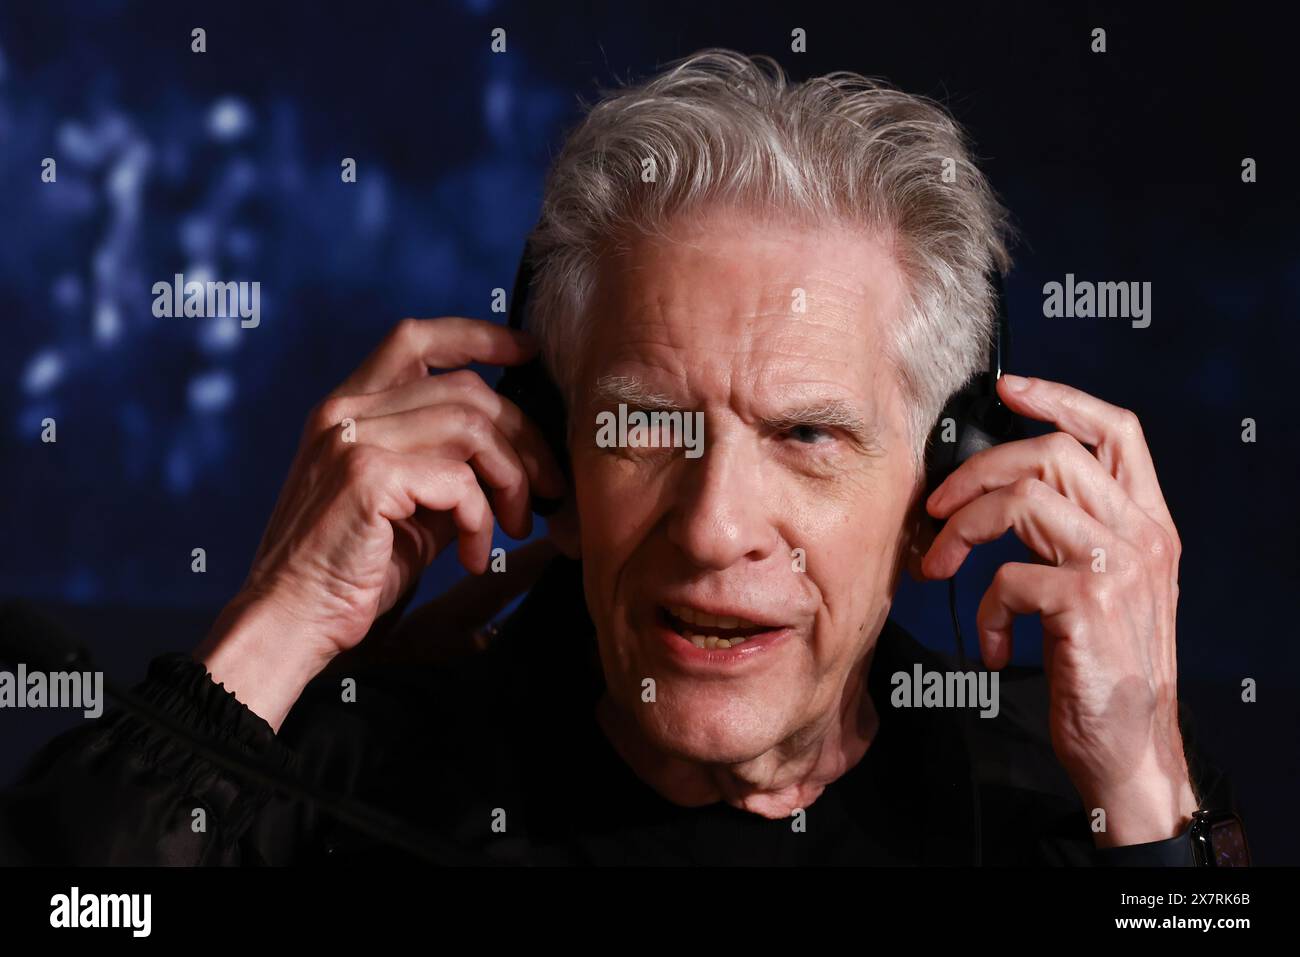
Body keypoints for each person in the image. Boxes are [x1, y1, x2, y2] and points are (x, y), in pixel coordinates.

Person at [0, 50, 1230, 865]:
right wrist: (281, 624)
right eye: (646, 426)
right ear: (548, 454)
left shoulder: (1072, 799)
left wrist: (1144, 789)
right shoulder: (336, 776)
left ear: (939, 490)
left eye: (806, 437)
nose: (710, 527)